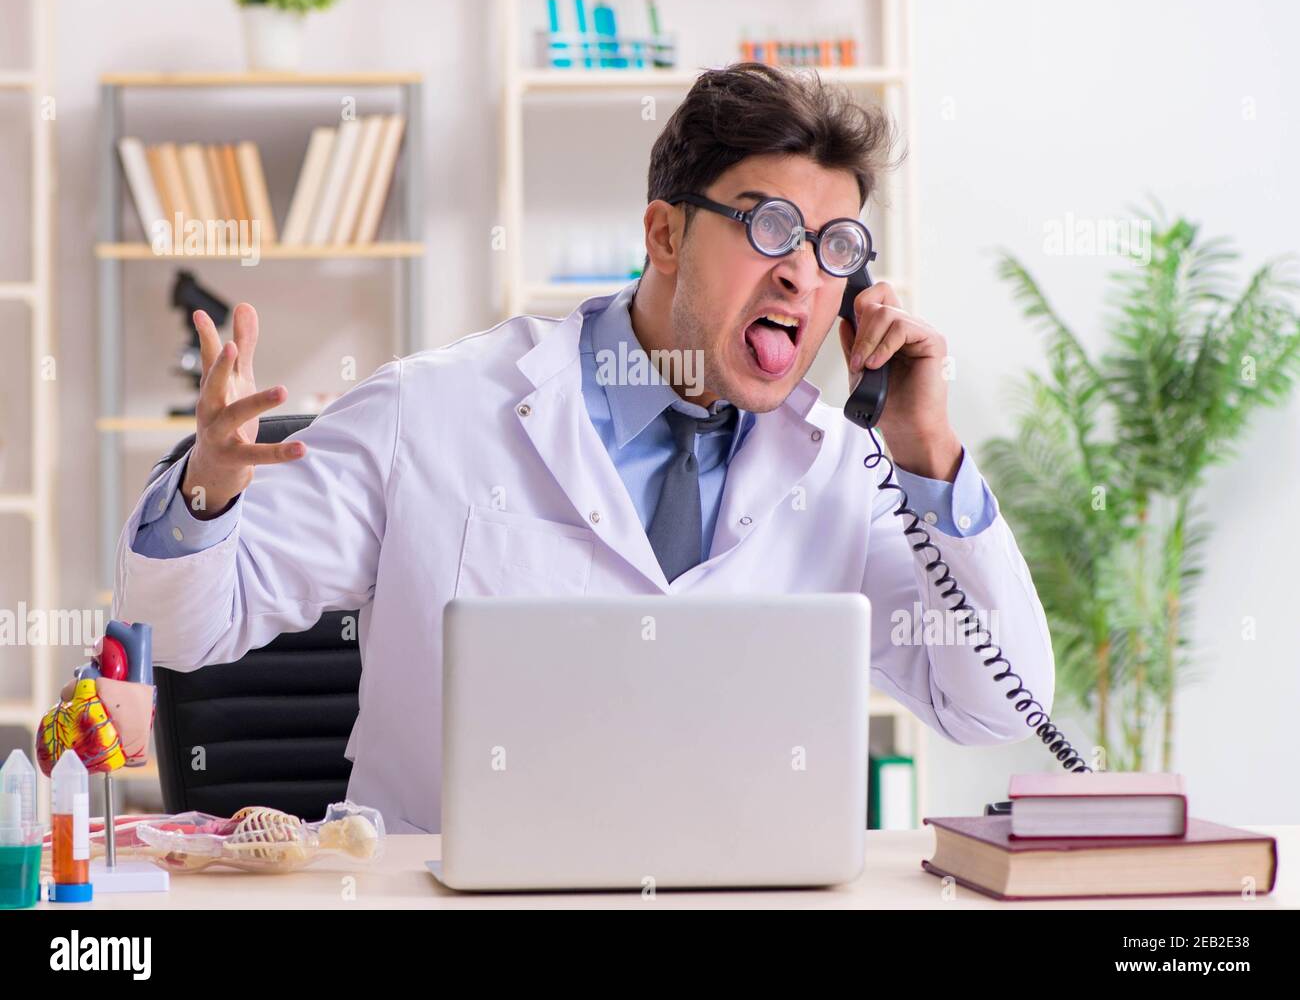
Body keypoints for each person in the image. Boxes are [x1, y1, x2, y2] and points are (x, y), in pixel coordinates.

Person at [115, 62, 1054, 834]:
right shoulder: (434, 409)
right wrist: (205, 489)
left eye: (837, 245)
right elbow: (188, 633)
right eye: (771, 226)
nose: (803, 273)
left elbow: (997, 709)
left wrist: (927, 448)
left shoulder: (847, 469)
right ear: (666, 232)